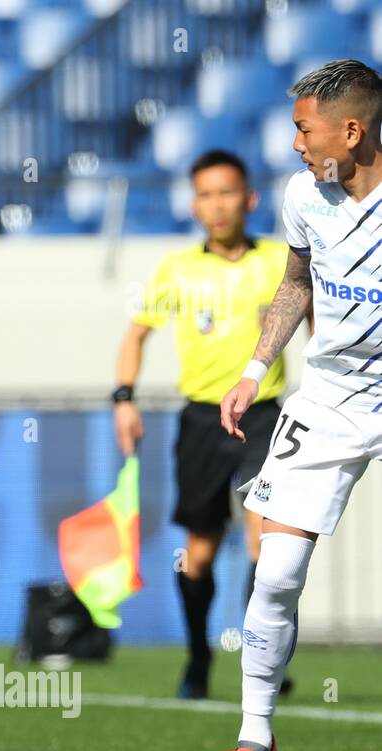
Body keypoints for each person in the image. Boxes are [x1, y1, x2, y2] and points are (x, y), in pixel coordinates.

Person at [208, 59, 382, 751]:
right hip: (334, 394)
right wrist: (254, 368)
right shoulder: (301, 197)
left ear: (352, 128)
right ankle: (253, 742)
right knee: (276, 572)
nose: (294, 144)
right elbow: (295, 282)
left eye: (304, 129)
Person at [114, 149, 309, 699]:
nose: (217, 204)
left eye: (227, 192)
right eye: (205, 194)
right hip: (201, 420)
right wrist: (124, 399)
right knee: (199, 550)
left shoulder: (280, 261)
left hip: (265, 415)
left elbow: (316, 324)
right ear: (195, 204)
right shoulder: (177, 269)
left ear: (249, 199)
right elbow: (135, 334)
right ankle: (199, 657)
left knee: (264, 539)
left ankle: (262, 656)